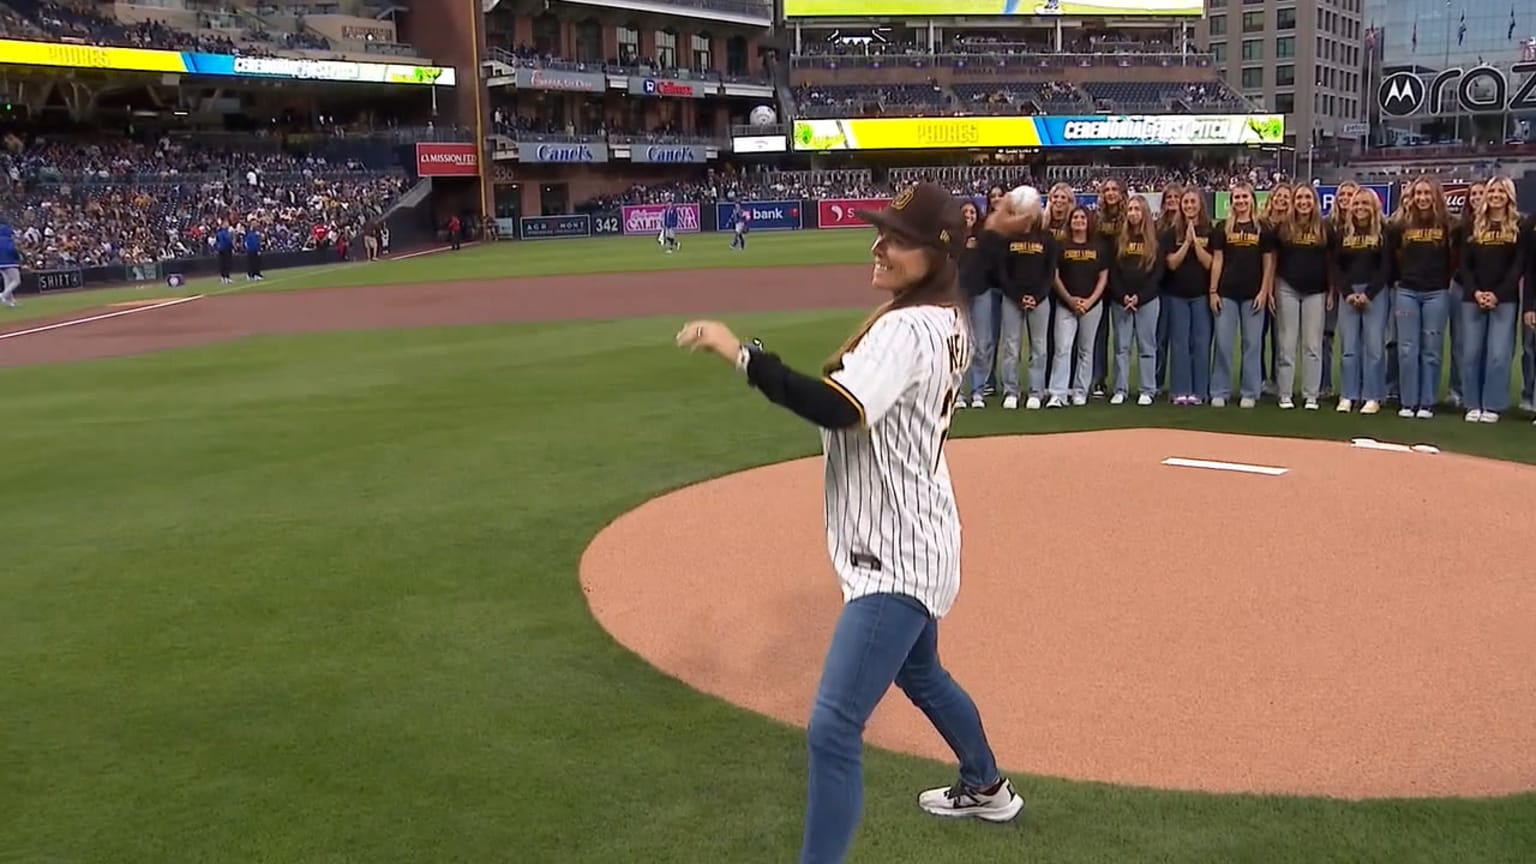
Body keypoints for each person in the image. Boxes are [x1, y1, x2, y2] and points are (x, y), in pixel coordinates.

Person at [673, 182, 1023, 864]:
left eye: (898, 239)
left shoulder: (907, 328)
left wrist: (742, 354)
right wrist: (992, 232)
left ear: (933, 256)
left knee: (833, 727)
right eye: (882, 233)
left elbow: (843, 408)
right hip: (923, 529)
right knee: (921, 674)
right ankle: (987, 786)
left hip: (892, 555)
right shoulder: (943, 313)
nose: (880, 246)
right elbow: (967, 264)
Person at [1455, 175, 1525, 423]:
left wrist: (1498, 294)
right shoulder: (1473, 225)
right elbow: (1464, 264)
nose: (1496, 195)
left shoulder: (1519, 225)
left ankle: (1493, 405)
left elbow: (1518, 265)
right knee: (1471, 353)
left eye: (1501, 191)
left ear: (1509, 196)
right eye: (1492, 191)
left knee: (1498, 354)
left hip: (1504, 299)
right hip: (1472, 298)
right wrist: (1476, 292)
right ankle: (1472, 403)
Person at [1388, 175, 1457, 419]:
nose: (1422, 198)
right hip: (1407, 291)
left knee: (1431, 349)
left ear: (1436, 196)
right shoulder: (1401, 224)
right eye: (1418, 193)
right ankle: (1408, 402)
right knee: (1407, 349)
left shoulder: (1449, 224)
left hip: (1436, 292)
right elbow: (1396, 254)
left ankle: (1427, 403)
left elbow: (1454, 258)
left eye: (1427, 193)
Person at [1208, 181, 1276, 409]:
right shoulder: (1222, 228)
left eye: (1245, 197)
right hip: (1226, 293)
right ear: (1231, 201)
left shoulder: (1262, 228)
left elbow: (1268, 263)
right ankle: (1220, 390)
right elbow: (1218, 260)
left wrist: (1264, 291)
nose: (1241, 201)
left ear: (1252, 200)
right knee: (1223, 344)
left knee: (1252, 344)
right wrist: (1213, 291)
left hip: (1253, 294)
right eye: (1237, 197)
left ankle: (1250, 391)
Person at [992, 189, 1058, 410]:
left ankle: (1036, 392)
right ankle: (1011, 391)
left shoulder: (1047, 238)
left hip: (1040, 299)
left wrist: (1037, 296)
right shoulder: (1007, 237)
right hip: (1012, 299)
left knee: (1039, 347)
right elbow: (1002, 271)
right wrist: (1018, 296)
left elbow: (1050, 272)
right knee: (1011, 346)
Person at [1329, 187, 1391, 414]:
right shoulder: (1343, 232)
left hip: (1375, 293)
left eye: (1365, 203)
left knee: (1374, 348)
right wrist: (1347, 293)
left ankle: (1372, 396)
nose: (1360, 208)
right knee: (1349, 348)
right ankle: (1348, 395)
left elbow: (1386, 266)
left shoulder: (1384, 231)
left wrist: (1369, 293)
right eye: (1356, 203)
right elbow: (1336, 265)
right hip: (1349, 294)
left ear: (1374, 206)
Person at [1271, 183, 1333, 410]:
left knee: (1313, 345)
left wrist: (1331, 290)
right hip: (1287, 287)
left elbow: (1330, 262)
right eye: (1299, 198)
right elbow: (1274, 259)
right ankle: (1285, 393)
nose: (1303, 202)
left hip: (1316, 291)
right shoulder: (1283, 227)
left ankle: (1311, 395)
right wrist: (1271, 289)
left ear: (1314, 202)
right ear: (1293, 202)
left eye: (1307, 198)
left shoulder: (1324, 228)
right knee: (1286, 343)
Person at [1047, 205, 1110, 407]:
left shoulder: (1099, 246)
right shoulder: (1061, 246)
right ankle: (1058, 393)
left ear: (1088, 221)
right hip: (1066, 305)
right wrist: (1069, 299)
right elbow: (1055, 276)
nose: (1079, 221)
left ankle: (1080, 391)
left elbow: (1103, 277)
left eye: (1083, 217)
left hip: (1092, 305)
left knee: (1086, 350)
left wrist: (1090, 301)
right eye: (1075, 217)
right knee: (1062, 349)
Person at [1109, 194, 1165, 405]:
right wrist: (1122, 295)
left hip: (1147, 301)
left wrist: (1140, 297)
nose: (1133, 213)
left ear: (1145, 213)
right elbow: (1113, 272)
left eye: (1137, 209)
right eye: (1130, 210)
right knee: (1121, 347)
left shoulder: (1155, 241)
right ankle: (1120, 389)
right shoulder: (1119, 240)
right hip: (1121, 301)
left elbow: (1157, 273)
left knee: (1147, 347)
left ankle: (1147, 389)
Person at [1161, 189, 1215, 405]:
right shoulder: (1170, 232)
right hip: (1177, 295)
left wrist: (1196, 243)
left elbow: (1210, 263)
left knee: (1201, 343)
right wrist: (1186, 242)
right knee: (1179, 344)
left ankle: (1200, 391)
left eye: (1193, 202)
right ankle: (1180, 391)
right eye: (1186, 202)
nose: (1189, 206)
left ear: (1200, 204)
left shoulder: (1210, 230)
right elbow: (1172, 264)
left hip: (1201, 295)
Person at [1448, 180, 1487, 408]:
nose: (1477, 197)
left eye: (1481, 193)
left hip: (1491, 290)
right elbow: (1456, 260)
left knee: (1485, 345)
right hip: (1462, 287)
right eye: (1473, 194)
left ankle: (1480, 391)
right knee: (1460, 342)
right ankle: (1457, 391)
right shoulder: (1461, 228)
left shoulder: (1502, 226)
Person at [0, 222, 20, 308]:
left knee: (7, 281)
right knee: (16, 280)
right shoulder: (8, 240)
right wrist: (18, 258)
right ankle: (3, 295)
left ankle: (10, 301)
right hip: (10, 262)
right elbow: (12, 251)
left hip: (1, 263)